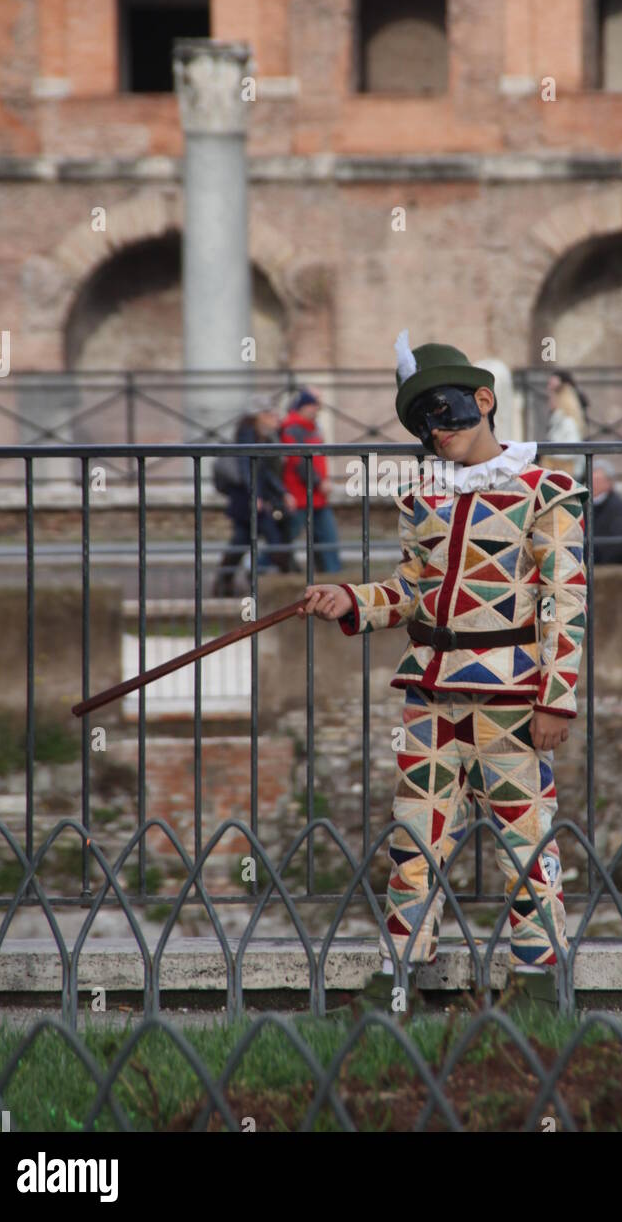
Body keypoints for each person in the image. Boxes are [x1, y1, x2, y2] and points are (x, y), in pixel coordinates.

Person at [299, 333, 588, 1010]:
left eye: (450, 411)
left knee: (526, 839)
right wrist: (352, 600)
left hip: (513, 698)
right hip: (429, 696)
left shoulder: (547, 492)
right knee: (414, 838)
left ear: (484, 401)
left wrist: (558, 699)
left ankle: (542, 983)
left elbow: (564, 602)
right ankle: (398, 976)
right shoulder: (421, 499)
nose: (438, 429)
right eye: (424, 421)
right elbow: (410, 590)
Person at [212, 400, 297, 596]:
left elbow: (266, 472)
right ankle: (290, 581)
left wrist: (282, 493)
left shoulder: (263, 437)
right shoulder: (247, 435)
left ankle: (224, 583)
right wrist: (254, 495)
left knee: (241, 541)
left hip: (253, 499)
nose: (274, 419)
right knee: (272, 538)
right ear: (259, 416)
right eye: (270, 415)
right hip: (248, 500)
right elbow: (246, 467)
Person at [280, 389, 341, 574]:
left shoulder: (312, 427)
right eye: (314, 405)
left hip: (316, 496)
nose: (317, 410)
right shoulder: (291, 428)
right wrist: (318, 482)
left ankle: (333, 577)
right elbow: (298, 461)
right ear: (303, 406)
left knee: (326, 539)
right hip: (300, 495)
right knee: (286, 539)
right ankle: (260, 567)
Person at [591, 458, 622, 564]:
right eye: (592, 480)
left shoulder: (621, 507)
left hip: (617, 566)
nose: (594, 484)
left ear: (609, 483)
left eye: (598, 480)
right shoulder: (584, 505)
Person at [539, 370, 588, 480]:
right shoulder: (558, 419)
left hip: (566, 473)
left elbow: (572, 448)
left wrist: (548, 454)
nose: (549, 399)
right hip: (560, 472)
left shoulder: (567, 421)